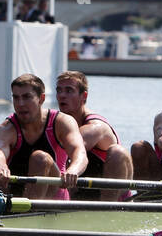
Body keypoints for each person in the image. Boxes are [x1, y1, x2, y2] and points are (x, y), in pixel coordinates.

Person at [0, 73, 86, 199]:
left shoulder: (62, 122)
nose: (20, 104)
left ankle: (27, 213)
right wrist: (0, 165)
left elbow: (79, 153)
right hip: (14, 192)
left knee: (40, 158)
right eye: (16, 98)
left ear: (41, 99)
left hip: (53, 194)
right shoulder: (5, 129)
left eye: (26, 97)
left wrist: (73, 170)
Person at [53, 70, 132, 200]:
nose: (62, 95)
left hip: (110, 196)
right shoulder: (58, 123)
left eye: (69, 91)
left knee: (117, 151)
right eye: (59, 90)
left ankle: (109, 211)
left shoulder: (96, 127)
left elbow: (67, 148)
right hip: (82, 193)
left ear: (84, 96)